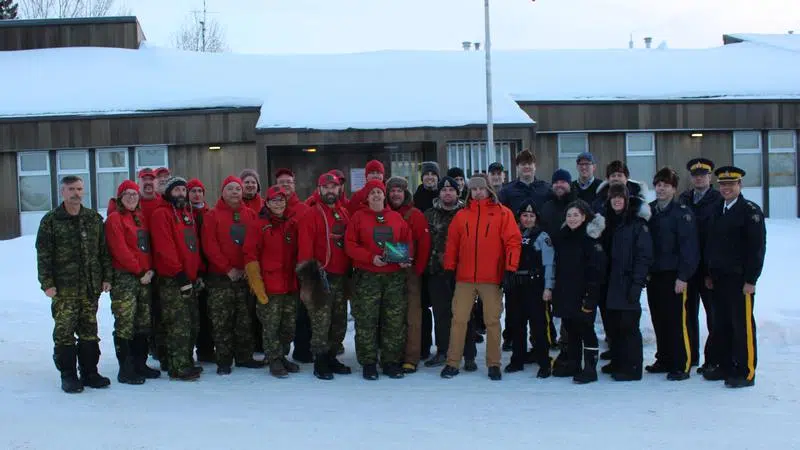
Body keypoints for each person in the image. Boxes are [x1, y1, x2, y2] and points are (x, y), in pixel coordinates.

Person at [440, 176, 521, 381]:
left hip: (492, 277)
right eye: (473, 189)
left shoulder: (503, 213)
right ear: (469, 191)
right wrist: (449, 269)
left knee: (492, 321)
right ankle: (452, 362)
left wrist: (510, 268)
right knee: (459, 320)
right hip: (465, 278)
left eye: (481, 189)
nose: (477, 192)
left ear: (489, 190)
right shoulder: (461, 216)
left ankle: (494, 364)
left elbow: (513, 242)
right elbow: (452, 245)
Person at [36, 175, 112, 393]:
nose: (76, 193)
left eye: (79, 189)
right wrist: (47, 284)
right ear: (62, 192)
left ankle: (90, 372)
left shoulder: (93, 218)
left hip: (90, 288)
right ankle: (68, 375)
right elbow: (43, 256)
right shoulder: (51, 220)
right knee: (64, 332)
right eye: (71, 189)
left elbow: (103, 251)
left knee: (89, 331)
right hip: (64, 289)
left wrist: (106, 277)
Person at [703, 166, 765, 388]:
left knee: (742, 326)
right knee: (722, 324)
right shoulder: (716, 209)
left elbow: (756, 249)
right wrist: (709, 273)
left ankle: (745, 371)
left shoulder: (750, 211)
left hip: (740, 281)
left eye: (731, 184)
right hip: (719, 279)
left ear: (740, 185)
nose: (726, 188)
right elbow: (711, 244)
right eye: (723, 184)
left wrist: (751, 280)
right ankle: (726, 365)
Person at [345, 180, 413, 379]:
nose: (376, 195)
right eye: (372, 192)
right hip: (367, 277)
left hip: (393, 277)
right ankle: (368, 362)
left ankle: (390, 361)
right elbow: (350, 245)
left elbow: (406, 240)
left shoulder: (396, 217)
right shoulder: (358, 217)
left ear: (385, 196)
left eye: (379, 192)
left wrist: (403, 259)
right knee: (367, 320)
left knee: (393, 320)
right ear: (367, 197)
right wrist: (370, 258)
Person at [201, 176, 264, 375]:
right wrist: (228, 269)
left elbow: (256, 243)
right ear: (222, 192)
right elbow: (209, 245)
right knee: (222, 320)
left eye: (238, 189)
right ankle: (224, 359)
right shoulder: (212, 215)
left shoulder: (251, 214)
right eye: (230, 189)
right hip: (221, 278)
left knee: (244, 319)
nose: (235, 192)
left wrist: (249, 268)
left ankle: (245, 357)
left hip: (244, 277)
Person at [296, 172, 353, 380]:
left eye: (334, 187)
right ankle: (320, 360)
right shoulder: (311, 214)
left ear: (339, 189)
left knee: (339, 321)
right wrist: (308, 280)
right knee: (321, 321)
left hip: (340, 276)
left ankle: (331, 355)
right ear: (319, 189)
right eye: (326, 187)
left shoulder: (343, 213)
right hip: (320, 276)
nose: (330, 191)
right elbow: (304, 249)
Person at [104, 180, 161, 385]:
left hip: (145, 278)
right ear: (120, 197)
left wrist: (151, 269)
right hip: (126, 278)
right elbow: (120, 250)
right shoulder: (114, 219)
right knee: (125, 324)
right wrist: (139, 271)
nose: (131, 197)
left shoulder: (140, 218)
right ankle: (125, 368)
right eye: (127, 194)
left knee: (142, 323)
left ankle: (140, 363)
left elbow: (149, 246)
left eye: (135, 194)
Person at [646, 167, 699, 381]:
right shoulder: (649, 211)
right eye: (658, 184)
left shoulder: (682, 213)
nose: (661, 189)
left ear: (674, 189)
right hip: (655, 275)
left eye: (666, 185)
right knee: (659, 319)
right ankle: (664, 358)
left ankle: (682, 362)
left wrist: (683, 276)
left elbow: (690, 248)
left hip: (675, 276)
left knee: (678, 321)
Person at [149, 176, 203, 380]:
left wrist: (195, 272)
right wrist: (179, 274)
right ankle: (177, 365)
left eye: (183, 190)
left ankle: (186, 360)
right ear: (168, 193)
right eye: (176, 190)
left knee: (191, 323)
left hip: (190, 277)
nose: (181, 194)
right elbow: (165, 247)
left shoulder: (187, 214)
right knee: (177, 324)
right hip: (173, 279)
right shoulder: (161, 214)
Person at [244, 185, 301, 378]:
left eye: (281, 200)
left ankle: (283, 355)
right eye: (274, 200)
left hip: (290, 285)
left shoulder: (291, 223)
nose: (278, 204)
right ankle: (274, 359)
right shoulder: (258, 225)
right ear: (267, 203)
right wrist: (257, 285)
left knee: (288, 325)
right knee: (271, 326)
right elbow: (250, 255)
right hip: (270, 286)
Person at [423, 177, 478, 370]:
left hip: (462, 273)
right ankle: (442, 350)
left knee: (465, 313)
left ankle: (469, 353)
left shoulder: (467, 213)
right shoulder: (429, 215)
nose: (448, 193)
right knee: (441, 313)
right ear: (439, 193)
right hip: (436, 272)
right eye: (444, 189)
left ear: (458, 192)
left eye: (451, 190)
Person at [601, 184, 654, 382]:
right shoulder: (606, 222)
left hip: (627, 282)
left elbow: (644, 257)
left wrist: (637, 284)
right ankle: (617, 361)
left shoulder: (637, 224)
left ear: (626, 200)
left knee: (628, 327)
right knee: (613, 326)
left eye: (620, 197)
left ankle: (632, 368)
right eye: (613, 197)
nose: (617, 201)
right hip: (609, 283)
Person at [551, 200, 607, 384]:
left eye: (576, 215)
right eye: (569, 215)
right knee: (571, 330)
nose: (572, 219)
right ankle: (574, 364)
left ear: (584, 217)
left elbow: (596, 270)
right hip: (566, 292)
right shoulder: (562, 236)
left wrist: (591, 297)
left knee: (586, 330)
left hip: (584, 294)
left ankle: (590, 368)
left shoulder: (590, 239)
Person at [679, 158, 723, 372]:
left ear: (710, 177)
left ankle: (713, 359)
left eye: (703, 175)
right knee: (688, 316)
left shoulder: (718, 199)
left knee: (713, 317)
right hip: (688, 269)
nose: (699, 178)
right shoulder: (684, 198)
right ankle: (691, 356)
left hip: (708, 269)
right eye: (695, 175)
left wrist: (711, 270)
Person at [504, 200, 555, 378]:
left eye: (531, 216)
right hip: (515, 285)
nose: (527, 219)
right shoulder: (512, 234)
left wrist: (548, 287)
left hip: (535, 285)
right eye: (524, 215)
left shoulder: (542, 236)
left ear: (536, 218)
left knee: (538, 326)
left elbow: (549, 264)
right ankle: (517, 359)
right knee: (516, 324)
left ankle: (544, 361)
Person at [385, 177, 431, 374]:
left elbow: (424, 243)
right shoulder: (382, 214)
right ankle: (390, 354)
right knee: (390, 317)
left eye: (399, 191)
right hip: (386, 272)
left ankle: (411, 357)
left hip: (409, 272)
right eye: (392, 191)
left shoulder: (414, 214)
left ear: (406, 194)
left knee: (413, 316)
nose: (396, 194)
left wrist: (418, 269)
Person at [187, 178, 214, 363]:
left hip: (208, 269)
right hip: (191, 269)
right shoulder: (184, 213)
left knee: (207, 312)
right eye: (193, 191)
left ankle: (206, 349)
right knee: (192, 313)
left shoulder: (209, 213)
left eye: (200, 191)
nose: (197, 194)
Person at [499, 149, 552, 213]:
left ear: (535, 166)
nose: (527, 166)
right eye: (523, 164)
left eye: (529, 163)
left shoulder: (547, 189)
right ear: (517, 167)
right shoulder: (506, 191)